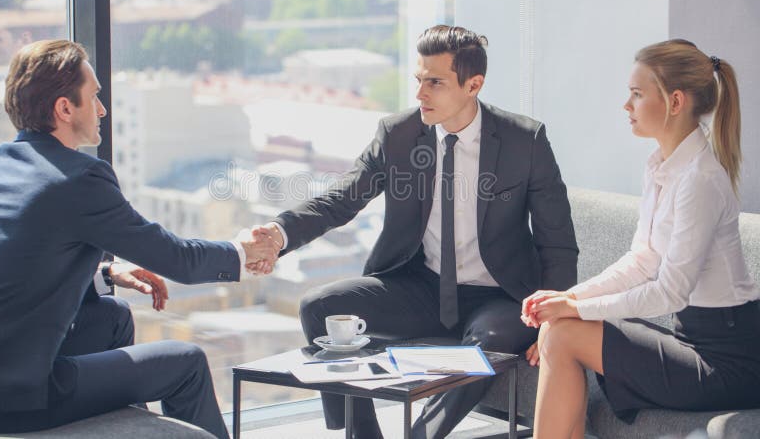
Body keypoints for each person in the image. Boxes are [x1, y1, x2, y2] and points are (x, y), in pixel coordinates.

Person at [247, 25, 578, 438]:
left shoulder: (523, 141)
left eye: (434, 83)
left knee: (487, 340)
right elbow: (343, 197)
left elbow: (558, 242)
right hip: (422, 286)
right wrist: (279, 235)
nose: (420, 94)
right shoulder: (398, 135)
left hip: (501, 295)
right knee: (320, 308)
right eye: (419, 80)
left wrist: (556, 321)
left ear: (473, 84)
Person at [0, 39, 278, 438]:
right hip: (22, 398)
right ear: (64, 108)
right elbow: (176, 257)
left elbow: (5, 265)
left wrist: (106, 273)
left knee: (112, 316)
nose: (102, 110)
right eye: (93, 96)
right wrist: (241, 252)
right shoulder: (77, 178)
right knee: (188, 361)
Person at [521, 39, 760, 439]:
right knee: (557, 327)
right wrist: (568, 299)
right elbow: (643, 260)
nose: (626, 105)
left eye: (636, 93)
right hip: (696, 340)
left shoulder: (699, 180)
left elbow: (670, 293)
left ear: (675, 102)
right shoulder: (660, 167)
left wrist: (575, 312)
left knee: (563, 331)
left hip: (728, 359)